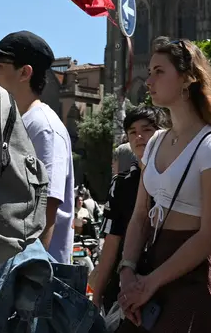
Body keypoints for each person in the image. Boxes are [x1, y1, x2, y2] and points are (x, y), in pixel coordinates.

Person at [116, 38, 211, 333]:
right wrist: (127, 269)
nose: (149, 80)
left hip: (196, 273)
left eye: (159, 72)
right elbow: (140, 214)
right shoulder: (155, 142)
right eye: (149, 71)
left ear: (188, 78)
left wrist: (148, 283)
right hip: (155, 260)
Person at [0, 30, 75, 333]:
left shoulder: (44, 128)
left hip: (18, 297)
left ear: (25, 73)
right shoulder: (8, 120)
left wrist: (25, 288)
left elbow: (46, 210)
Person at [90, 106, 167, 311]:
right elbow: (112, 242)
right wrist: (96, 295)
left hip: (166, 282)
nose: (139, 136)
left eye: (146, 129)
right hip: (124, 286)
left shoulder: (174, 179)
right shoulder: (121, 184)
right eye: (132, 132)